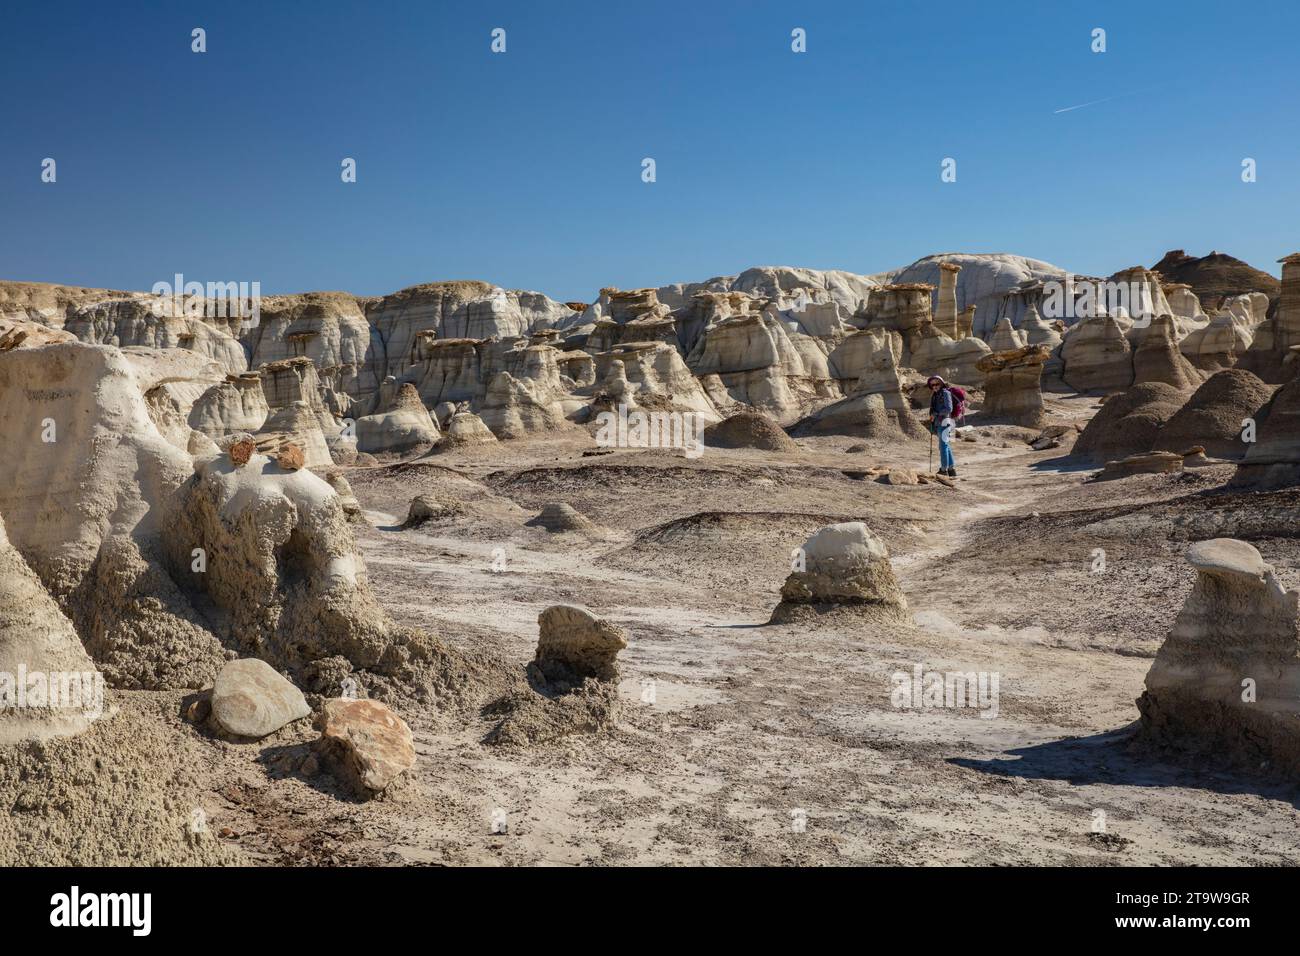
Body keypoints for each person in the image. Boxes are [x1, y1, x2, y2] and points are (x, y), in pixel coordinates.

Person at [927, 375, 957, 477]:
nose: (935, 386)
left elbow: (949, 409)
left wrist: (935, 414)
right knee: (945, 445)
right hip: (940, 422)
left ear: (941, 383)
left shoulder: (945, 393)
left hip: (945, 422)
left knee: (943, 446)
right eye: (933, 384)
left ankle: (944, 470)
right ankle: (951, 469)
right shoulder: (935, 394)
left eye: (937, 384)